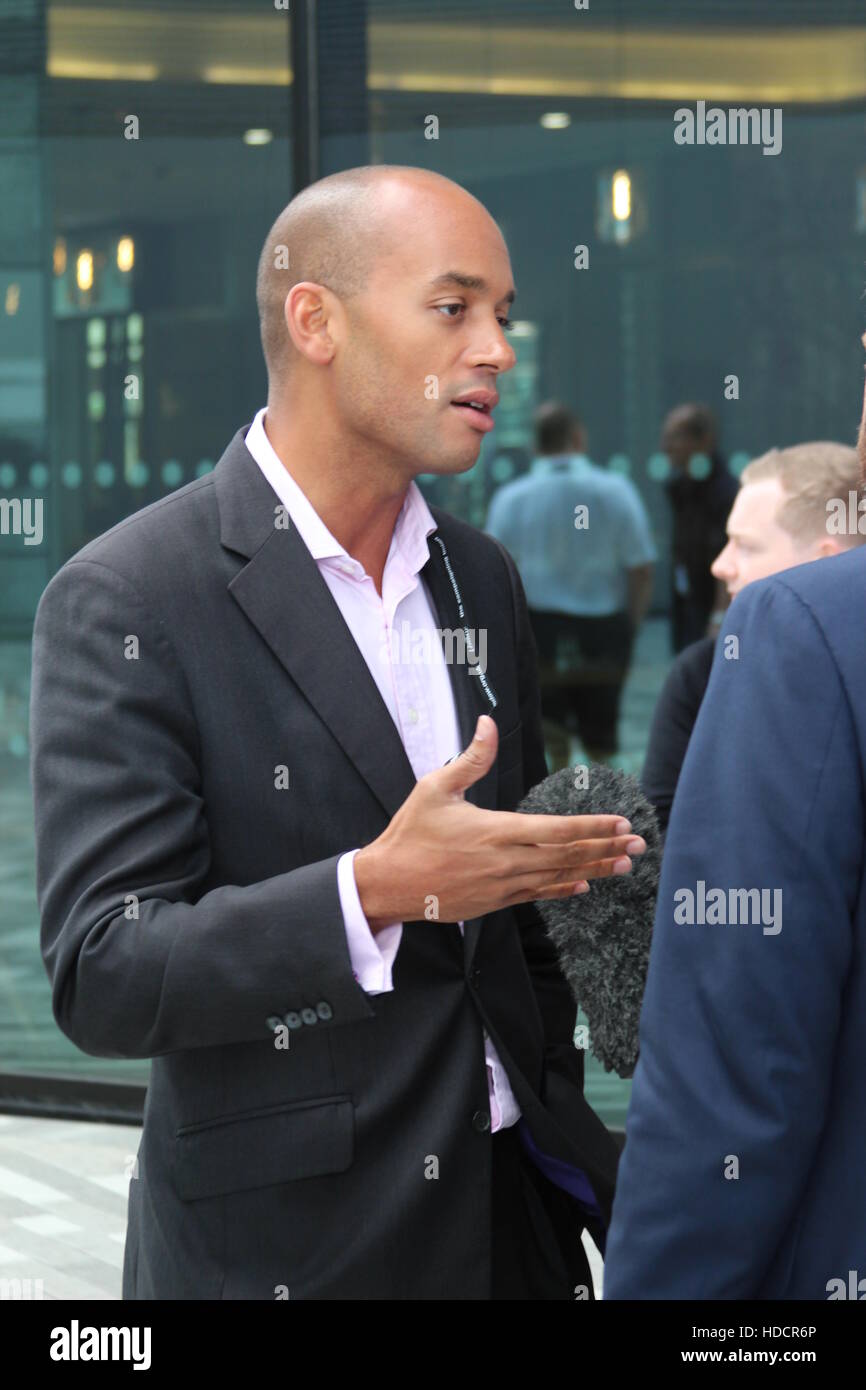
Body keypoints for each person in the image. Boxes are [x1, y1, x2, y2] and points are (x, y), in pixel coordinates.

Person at [29, 165, 647, 1302]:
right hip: (291, 1253)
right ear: (315, 319)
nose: (496, 350)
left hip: (521, 1222)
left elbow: (507, 923)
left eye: (503, 315)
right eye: (452, 307)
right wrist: (370, 889)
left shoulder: (479, 573)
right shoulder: (128, 595)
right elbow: (105, 970)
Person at [604, 346, 866, 1299]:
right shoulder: (711, 669)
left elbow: (740, 1041)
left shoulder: (797, 636)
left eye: (744, 548)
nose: (720, 566)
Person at [642, 441, 865, 833]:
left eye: (745, 545)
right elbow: (663, 829)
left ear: (824, 562)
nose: (720, 565)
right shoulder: (703, 674)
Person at [485, 403, 655, 768]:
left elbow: (494, 572)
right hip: (603, 629)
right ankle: (606, 817)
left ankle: (556, 817)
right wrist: (631, 624)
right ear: (579, 437)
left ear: (535, 445)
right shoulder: (616, 490)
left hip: (539, 630)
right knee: (603, 740)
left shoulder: (511, 498)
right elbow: (641, 568)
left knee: (547, 737)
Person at [662, 403, 738, 653]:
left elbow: (727, 553)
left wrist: (718, 616)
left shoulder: (724, 492)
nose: (667, 446)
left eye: (676, 437)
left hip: (710, 608)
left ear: (703, 441)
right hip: (687, 603)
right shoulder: (679, 487)